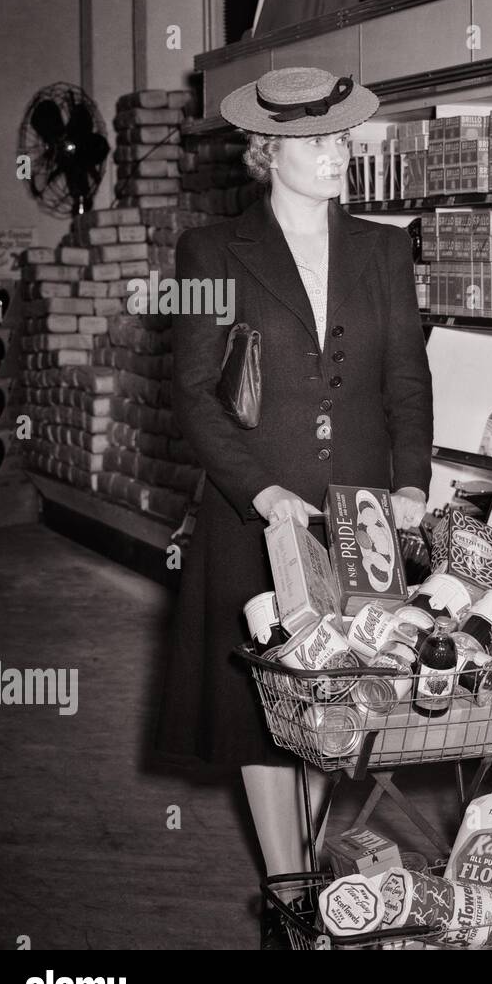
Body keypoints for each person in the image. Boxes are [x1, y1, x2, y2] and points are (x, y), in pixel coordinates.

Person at [154, 68, 433, 908]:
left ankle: (315, 871)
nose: (338, 154)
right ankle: (285, 888)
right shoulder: (209, 251)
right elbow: (195, 393)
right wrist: (260, 491)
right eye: (318, 142)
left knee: (334, 695)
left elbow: (407, 381)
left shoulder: (384, 249)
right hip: (258, 516)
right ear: (269, 153)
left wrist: (411, 485)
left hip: (358, 521)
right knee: (260, 703)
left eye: (343, 139)